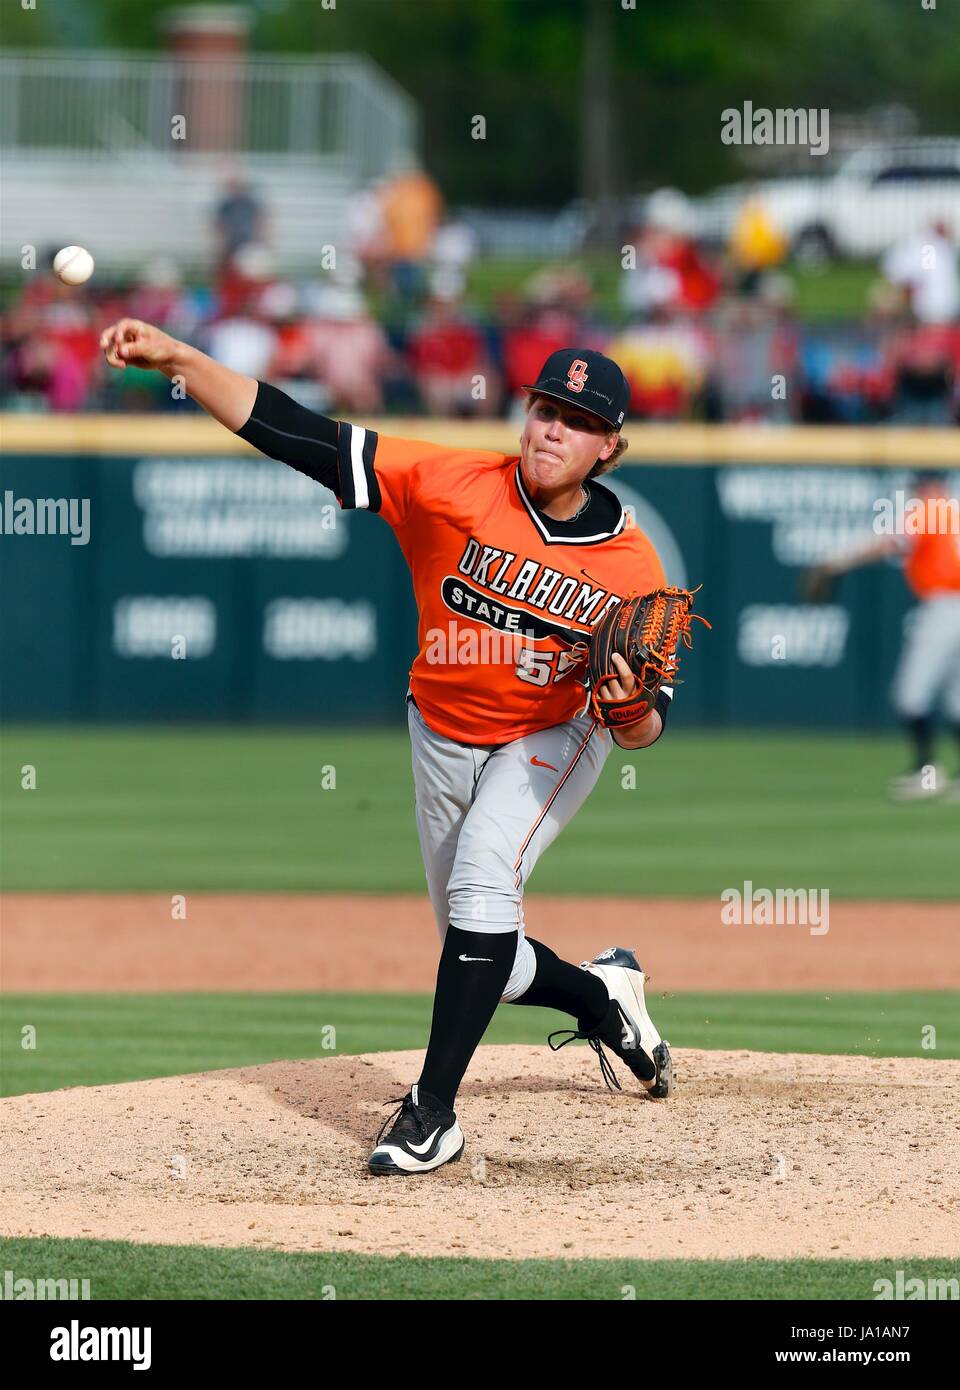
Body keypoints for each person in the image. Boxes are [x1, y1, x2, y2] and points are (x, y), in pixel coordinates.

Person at [99, 320, 677, 1175]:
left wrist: (628, 715)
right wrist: (181, 359)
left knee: (484, 881)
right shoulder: (447, 482)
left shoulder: (633, 566)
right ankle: (603, 997)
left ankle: (431, 1114)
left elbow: (645, 727)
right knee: (480, 948)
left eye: (580, 422)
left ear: (609, 448)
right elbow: (296, 432)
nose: (555, 430)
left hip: (552, 734)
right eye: (546, 409)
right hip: (440, 725)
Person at [808, 471, 960, 800]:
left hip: (944, 608)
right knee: (956, 699)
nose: (916, 494)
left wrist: (836, 563)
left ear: (928, 488)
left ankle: (926, 773)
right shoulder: (954, 513)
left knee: (911, 694)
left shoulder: (930, 510)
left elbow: (890, 542)